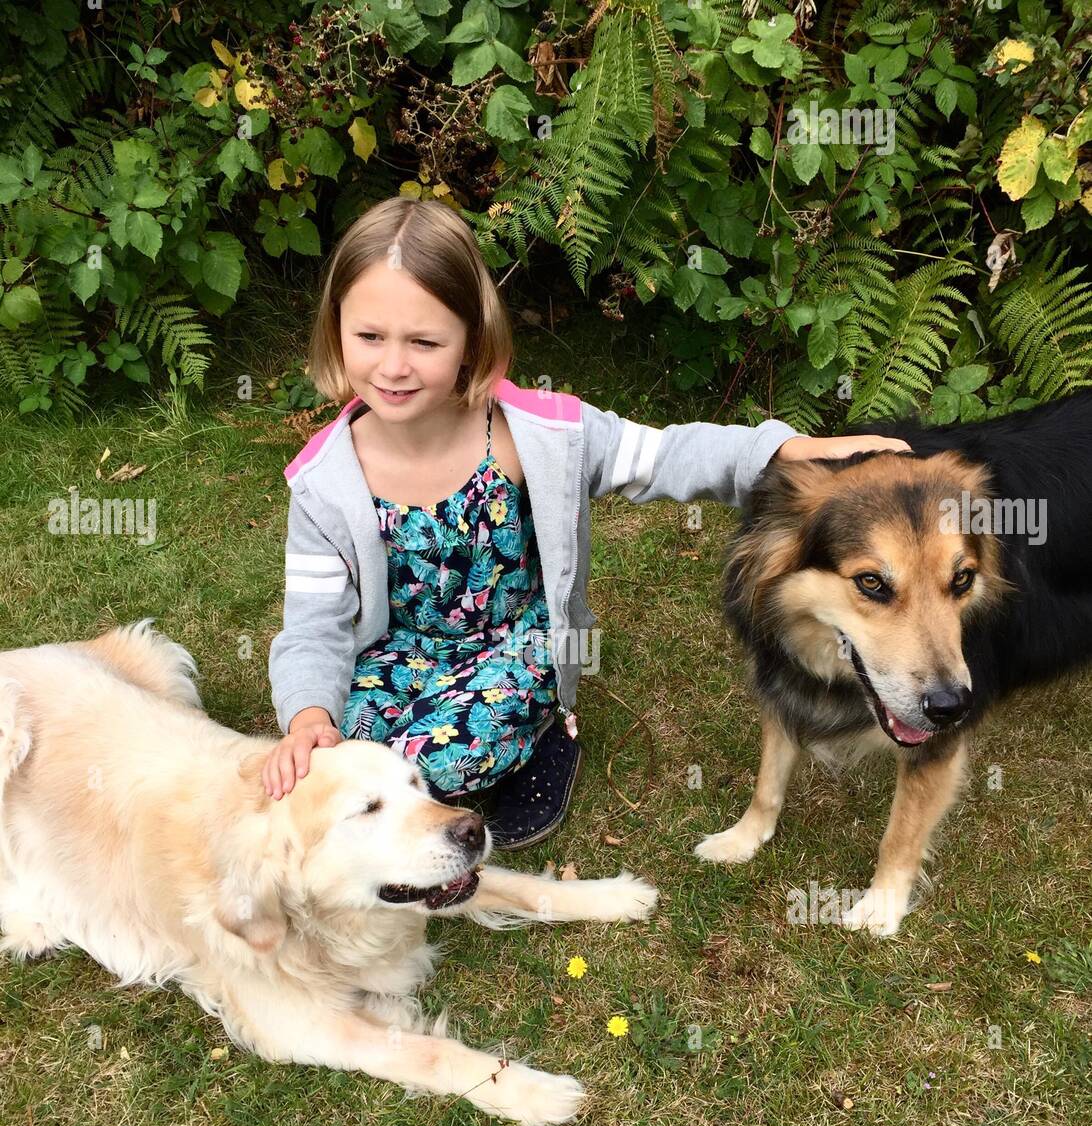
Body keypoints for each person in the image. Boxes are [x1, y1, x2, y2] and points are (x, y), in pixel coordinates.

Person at [262, 196, 910, 848]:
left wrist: (772, 451)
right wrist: (311, 717)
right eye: (369, 337)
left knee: (427, 763)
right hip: (402, 656)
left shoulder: (544, 436)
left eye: (424, 341)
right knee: (338, 748)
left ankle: (546, 738)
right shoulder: (324, 484)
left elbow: (664, 457)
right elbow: (313, 627)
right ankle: (409, 760)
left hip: (518, 647)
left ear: (471, 341)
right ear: (336, 328)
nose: (393, 365)